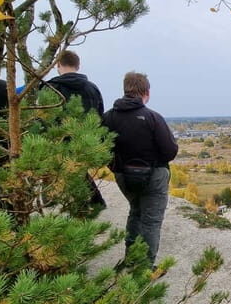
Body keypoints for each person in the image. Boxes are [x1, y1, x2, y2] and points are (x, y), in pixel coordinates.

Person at [102, 72, 178, 267]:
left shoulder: (108, 118)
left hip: (122, 176)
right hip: (154, 176)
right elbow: (170, 151)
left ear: (126, 90)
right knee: (151, 221)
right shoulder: (152, 118)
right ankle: (145, 269)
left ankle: (130, 259)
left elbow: (100, 149)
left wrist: (116, 167)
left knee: (135, 212)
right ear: (146, 92)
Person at [42, 50, 106, 210]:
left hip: (58, 139)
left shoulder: (50, 87)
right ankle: (92, 202)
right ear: (78, 66)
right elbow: (99, 116)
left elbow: (43, 117)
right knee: (79, 170)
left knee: (52, 171)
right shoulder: (92, 88)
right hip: (85, 140)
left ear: (57, 65)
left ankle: (50, 201)